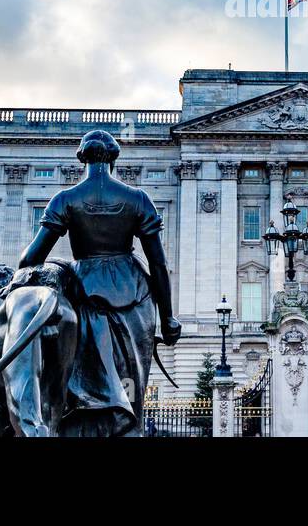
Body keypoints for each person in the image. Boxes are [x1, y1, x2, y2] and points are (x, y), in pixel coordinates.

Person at [17, 129, 181, 436]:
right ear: (114, 159)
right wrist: (169, 318)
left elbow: (30, 260)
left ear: (82, 158)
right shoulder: (138, 200)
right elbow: (158, 264)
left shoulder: (65, 200)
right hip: (134, 296)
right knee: (130, 382)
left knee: (81, 381)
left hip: (84, 294)